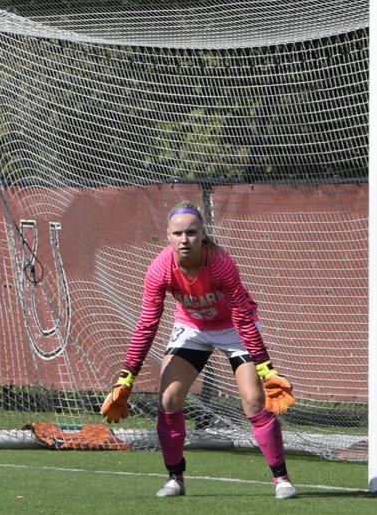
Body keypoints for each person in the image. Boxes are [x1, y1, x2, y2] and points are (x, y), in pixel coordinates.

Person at [100, 203, 298, 499]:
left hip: (233, 327)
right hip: (191, 328)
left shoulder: (220, 263)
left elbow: (243, 318)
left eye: (191, 233)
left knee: (254, 400)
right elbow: (147, 323)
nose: (184, 239)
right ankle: (175, 478)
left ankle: (281, 479)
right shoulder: (159, 269)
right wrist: (128, 375)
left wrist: (265, 367)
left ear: (203, 234)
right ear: (167, 236)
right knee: (168, 398)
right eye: (177, 233)